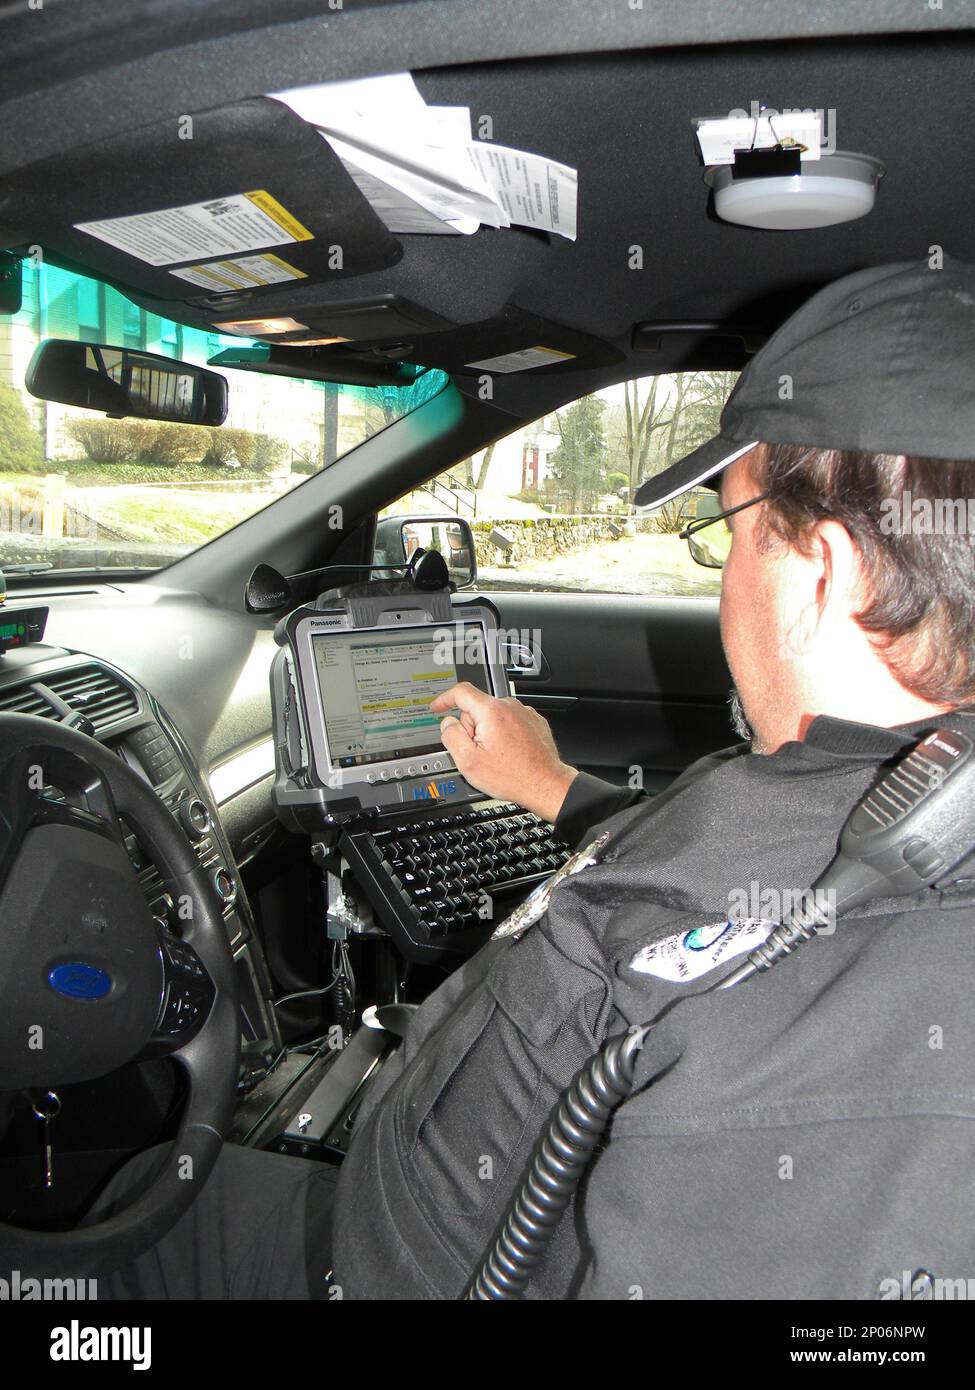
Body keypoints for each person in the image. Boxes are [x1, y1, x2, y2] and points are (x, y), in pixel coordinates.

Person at [96, 254, 975, 1300]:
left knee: (143, 1206)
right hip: (432, 1193)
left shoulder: (834, 1058)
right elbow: (717, 901)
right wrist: (556, 786)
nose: (727, 574)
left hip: (384, 1267)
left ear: (822, 573)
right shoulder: (867, 795)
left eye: (729, 533)